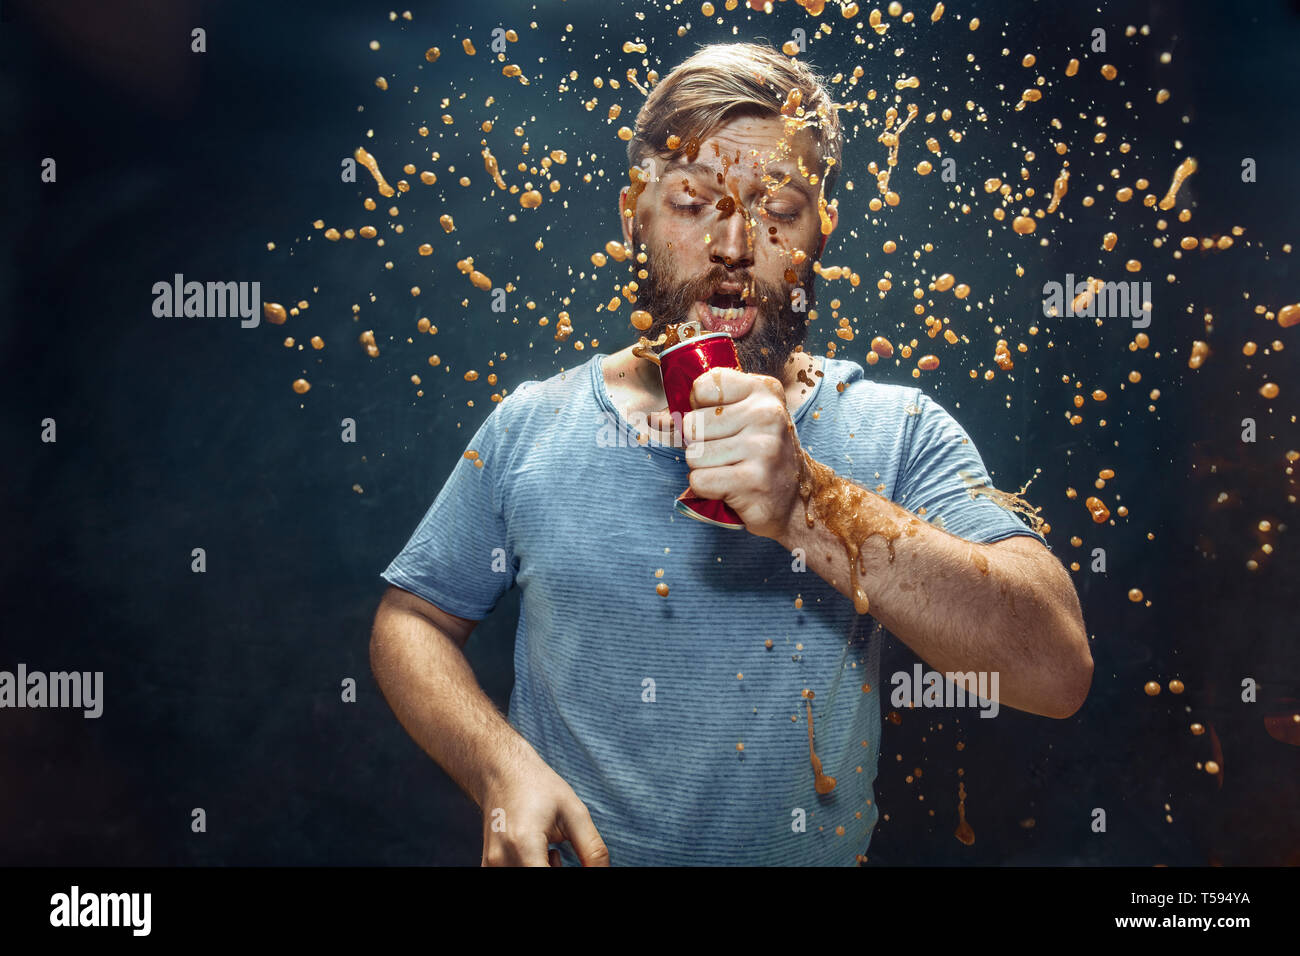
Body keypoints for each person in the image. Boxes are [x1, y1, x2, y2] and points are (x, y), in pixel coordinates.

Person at [370, 42, 1091, 867]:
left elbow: (1055, 670)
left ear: (822, 229)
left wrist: (806, 506)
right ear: (631, 217)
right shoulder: (532, 426)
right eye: (690, 202)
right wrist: (499, 769)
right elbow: (411, 620)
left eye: (778, 207)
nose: (735, 245)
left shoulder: (898, 430)